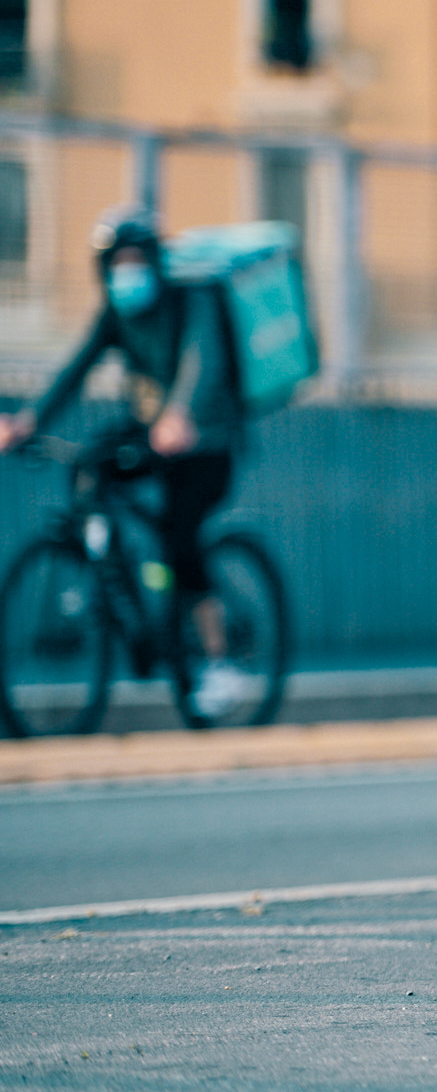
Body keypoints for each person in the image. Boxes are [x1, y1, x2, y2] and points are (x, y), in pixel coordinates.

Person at [0, 208, 256, 717]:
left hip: (207, 440)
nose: (127, 273)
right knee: (91, 467)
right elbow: (76, 368)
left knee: (179, 537)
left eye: (137, 262)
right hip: (154, 431)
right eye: (117, 264)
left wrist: (181, 413)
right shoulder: (116, 315)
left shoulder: (193, 299)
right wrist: (28, 420)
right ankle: (104, 575)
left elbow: (200, 362)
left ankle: (220, 664)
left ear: (157, 264)